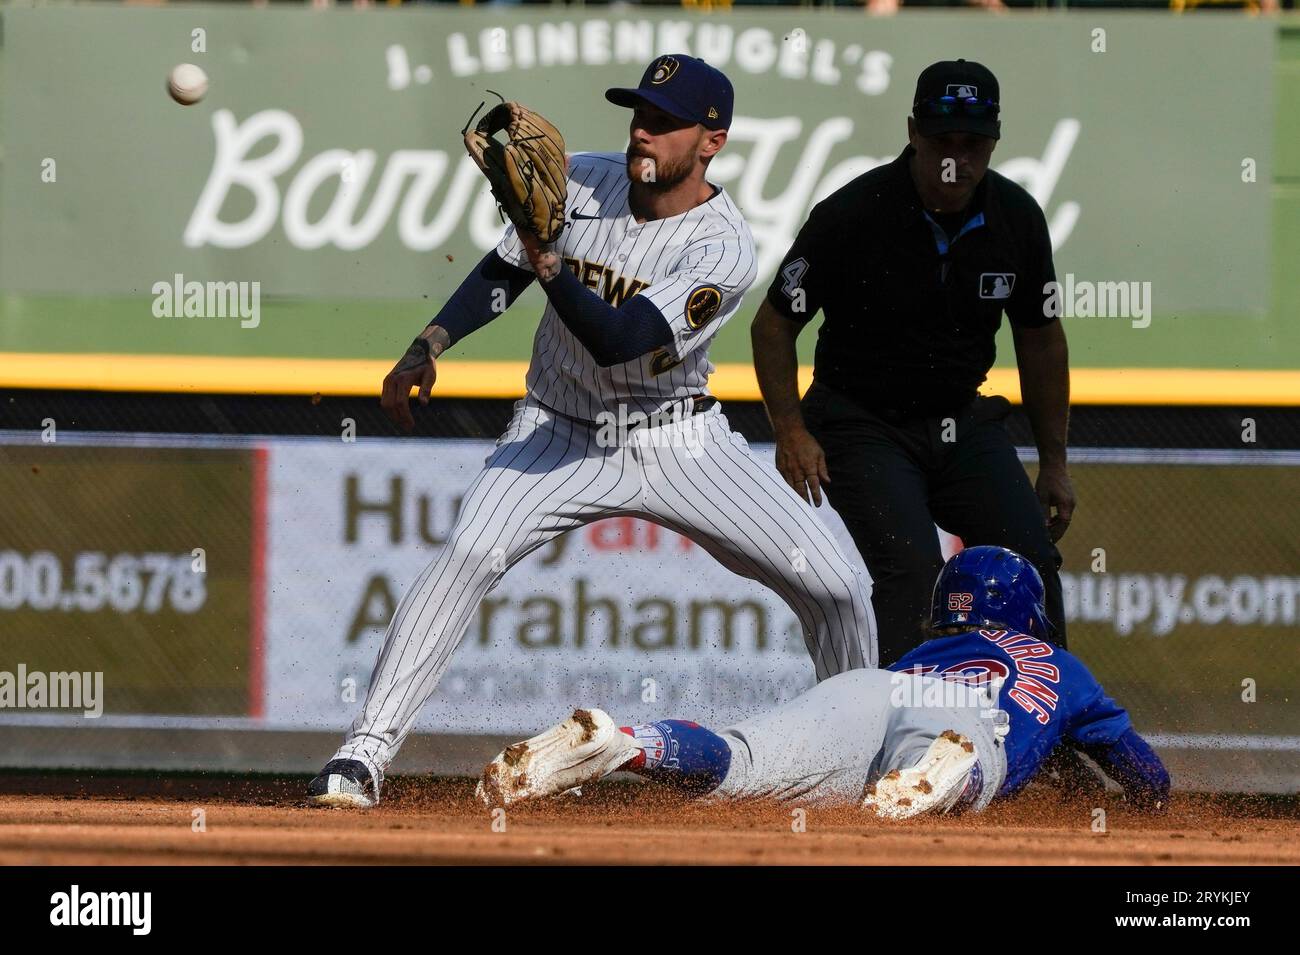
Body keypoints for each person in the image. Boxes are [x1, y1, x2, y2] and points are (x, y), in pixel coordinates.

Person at [308, 54, 878, 809]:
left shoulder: (724, 248)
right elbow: (505, 267)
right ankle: (362, 755)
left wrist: (550, 264)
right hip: (559, 430)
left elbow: (620, 338)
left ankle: (859, 765)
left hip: (678, 442)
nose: (644, 132)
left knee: (840, 585)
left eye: (664, 122)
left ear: (713, 141)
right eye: (639, 113)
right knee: (470, 550)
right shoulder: (586, 178)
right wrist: (432, 341)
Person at [751, 59, 1074, 668]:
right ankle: (902, 734)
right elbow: (773, 325)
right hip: (861, 421)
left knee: (1030, 559)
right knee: (913, 572)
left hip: (961, 419)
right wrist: (791, 431)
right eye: (942, 140)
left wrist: (1054, 462)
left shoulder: (1019, 218)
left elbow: (1041, 340)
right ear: (912, 133)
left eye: (973, 142)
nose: (957, 158)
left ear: (994, 141)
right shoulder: (850, 215)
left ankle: (1052, 732)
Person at [478, 546, 1169, 817]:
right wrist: (1146, 802)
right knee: (971, 762)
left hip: (869, 688)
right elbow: (1145, 774)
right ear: (1029, 613)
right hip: (965, 721)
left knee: (740, 760)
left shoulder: (928, 651)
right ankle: (943, 773)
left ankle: (627, 741)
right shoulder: (1063, 668)